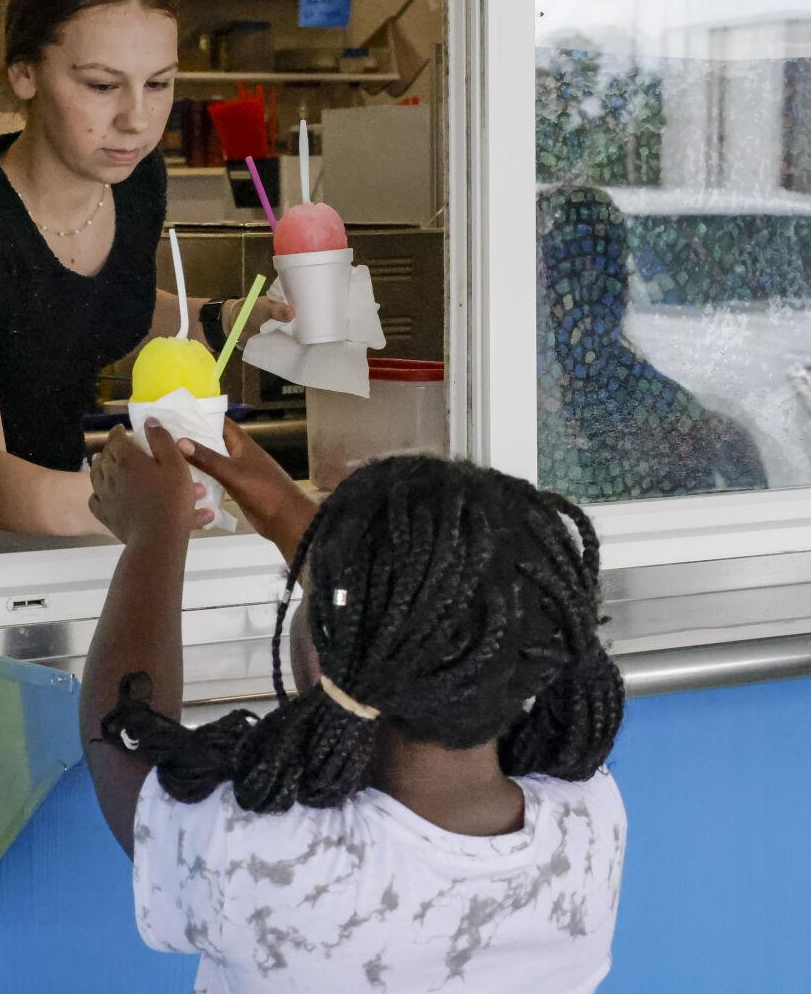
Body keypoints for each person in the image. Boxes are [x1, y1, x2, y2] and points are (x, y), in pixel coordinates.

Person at [81, 421, 629, 993]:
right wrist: (282, 508)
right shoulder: (588, 823)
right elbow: (415, 627)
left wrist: (154, 530)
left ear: (329, 658)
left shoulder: (269, 860)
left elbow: (119, 735)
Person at [0, 0, 290, 540]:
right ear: (24, 72)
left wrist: (230, 319)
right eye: (102, 86)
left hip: (76, 525)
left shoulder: (135, 182)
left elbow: (94, 302)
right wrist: (164, 502)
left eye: (158, 84)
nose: (137, 120)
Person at [537, 185, 766, 502]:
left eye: (608, 274)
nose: (589, 296)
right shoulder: (515, 393)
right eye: (572, 277)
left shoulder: (659, 402)